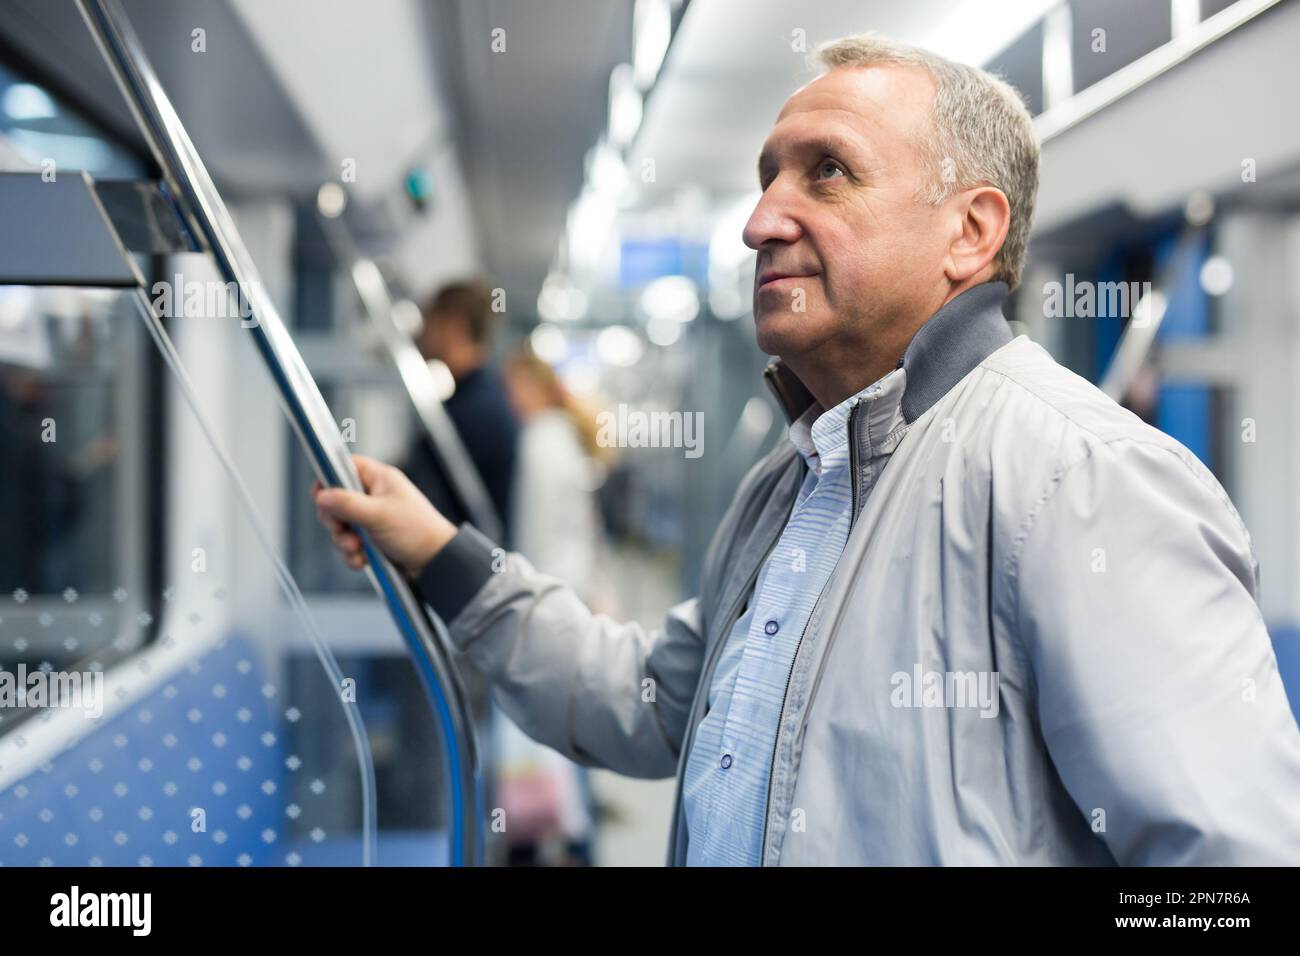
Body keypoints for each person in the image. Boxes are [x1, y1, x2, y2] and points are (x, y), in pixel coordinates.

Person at [314, 33, 1300, 865]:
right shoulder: (787, 484)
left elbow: (1226, 865)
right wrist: (440, 551)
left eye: (826, 171)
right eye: (766, 178)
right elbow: (653, 703)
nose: (759, 220)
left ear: (969, 229)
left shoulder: (1080, 480)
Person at [489, 343, 614, 865]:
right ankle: (577, 843)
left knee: (549, 734)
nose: (507, 399)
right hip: (573, 598)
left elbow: (532, 536)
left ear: (533, 388)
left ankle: (561, 844)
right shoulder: (562, 438)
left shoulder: (540, 442)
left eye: (512, 387)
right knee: (570, 734)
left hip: (548, 604)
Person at [400, 280, 518, 542]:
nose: (422, 333)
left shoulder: (472, 412)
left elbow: (425, 497)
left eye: (430, 321)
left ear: (453, 325)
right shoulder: (483, 398)